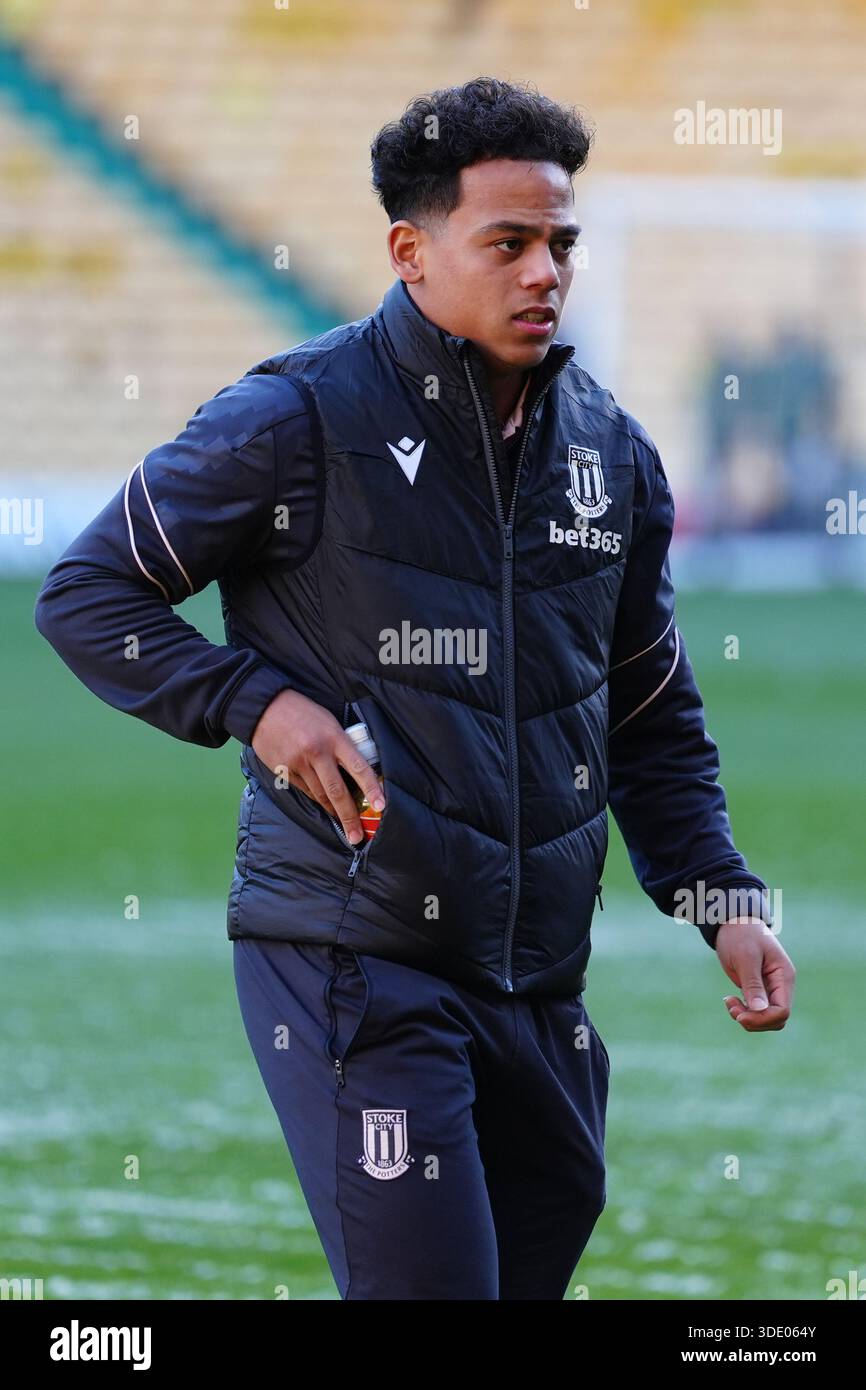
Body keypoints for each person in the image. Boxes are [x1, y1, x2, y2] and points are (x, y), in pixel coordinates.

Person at [34, 76, 795, 1300]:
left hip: (539, 981)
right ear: (411, 249)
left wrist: (721, 898)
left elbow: (648, 713)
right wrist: (256, 705)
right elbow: (87, 594)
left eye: (560, 243)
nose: (544, 271)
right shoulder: (293, 419)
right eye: (507, 243)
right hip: (354, 961)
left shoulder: (611, 455)